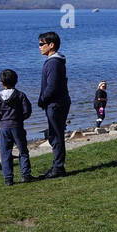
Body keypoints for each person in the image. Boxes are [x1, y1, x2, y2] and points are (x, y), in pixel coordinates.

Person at [37, 31, 71, 178]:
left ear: (51, 45)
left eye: (41, 44)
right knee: (54, 135)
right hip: (56, 103)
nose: (39, 47)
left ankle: (58, 168)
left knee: (56, 136)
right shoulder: (54, 62)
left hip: (56, 104)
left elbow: (52, 87)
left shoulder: (54, 63)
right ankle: (57, 166)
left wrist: (42, 100)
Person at [0, 69, 33, 186]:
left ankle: (8, 178)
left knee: (5, 153)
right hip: (17, 126)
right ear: (16, 81)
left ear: (1, 82)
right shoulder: (20, 95)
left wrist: (1, 119)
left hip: (4, 127)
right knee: (23, 151)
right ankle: (25, 175)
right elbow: (27, 110)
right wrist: (21, 118)